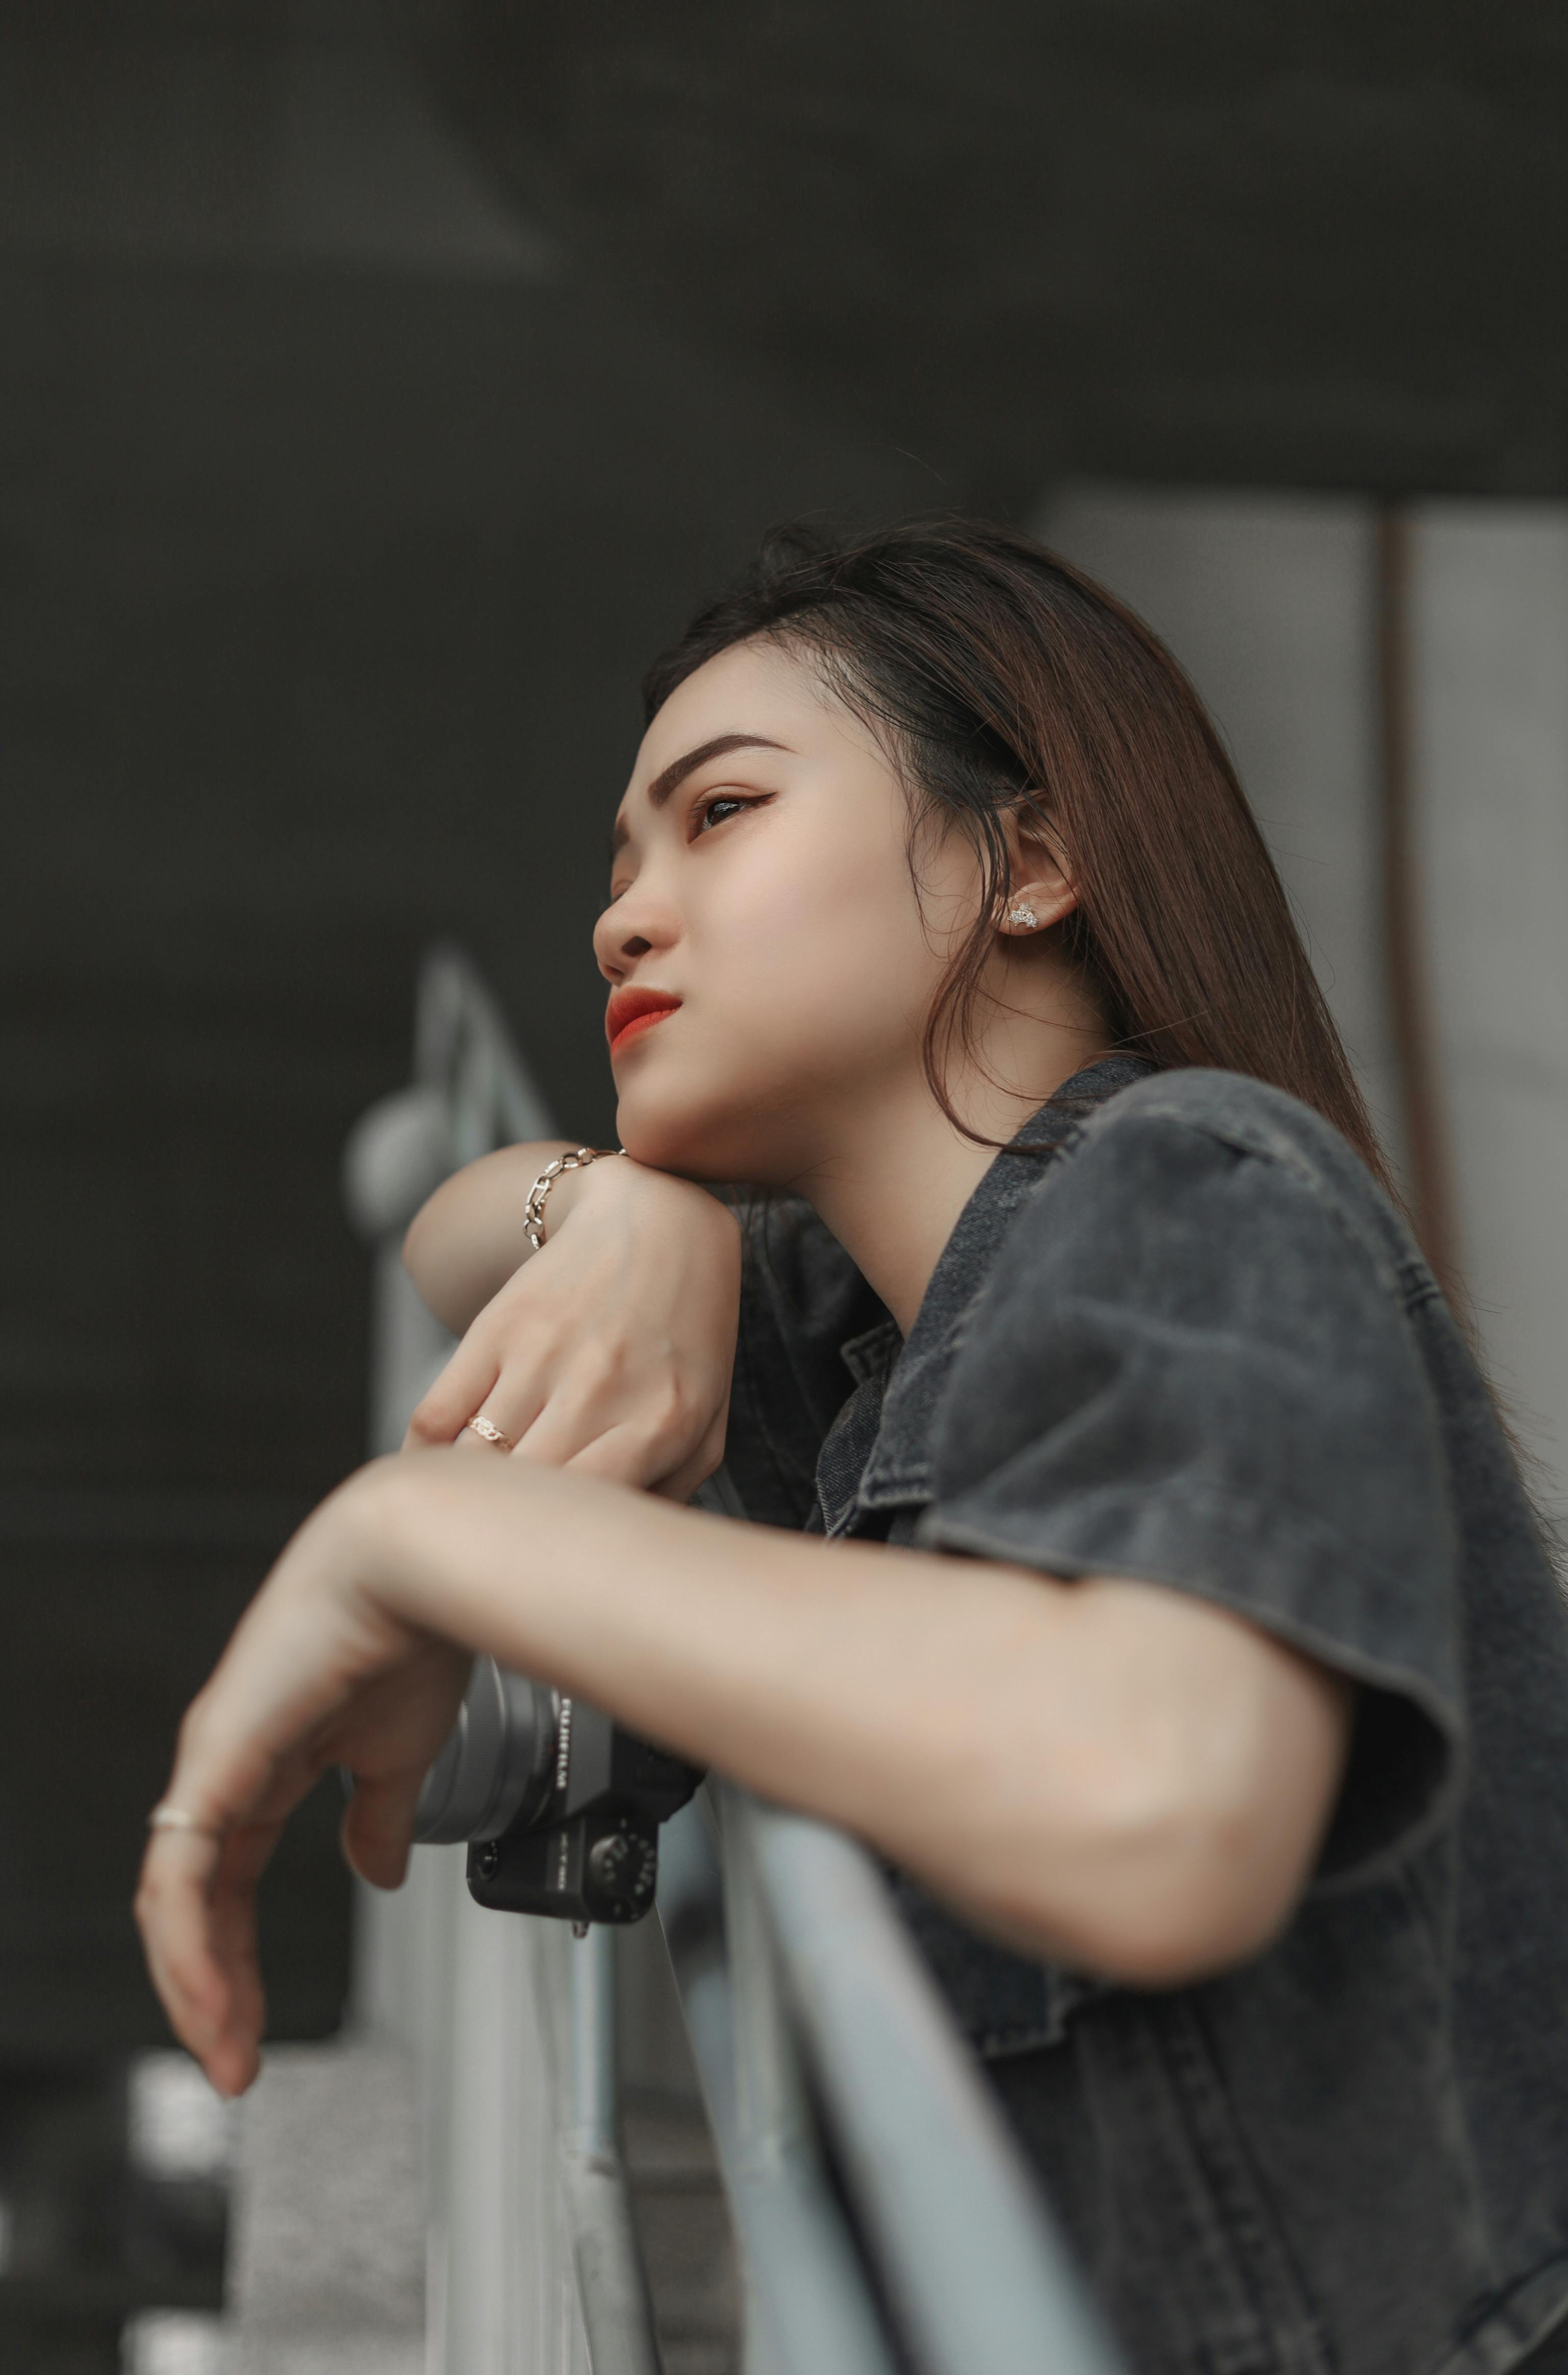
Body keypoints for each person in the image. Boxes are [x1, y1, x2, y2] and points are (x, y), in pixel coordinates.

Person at [137, 520, 1568, 2375]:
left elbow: (1160, 1804)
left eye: (719, 814)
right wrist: (622, 1214)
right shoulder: (876, 1348)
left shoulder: (1192, 1179)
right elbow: (451, 1226)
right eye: (621, 861)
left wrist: (429, 1534)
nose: (623, 912)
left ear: (1031, 858)